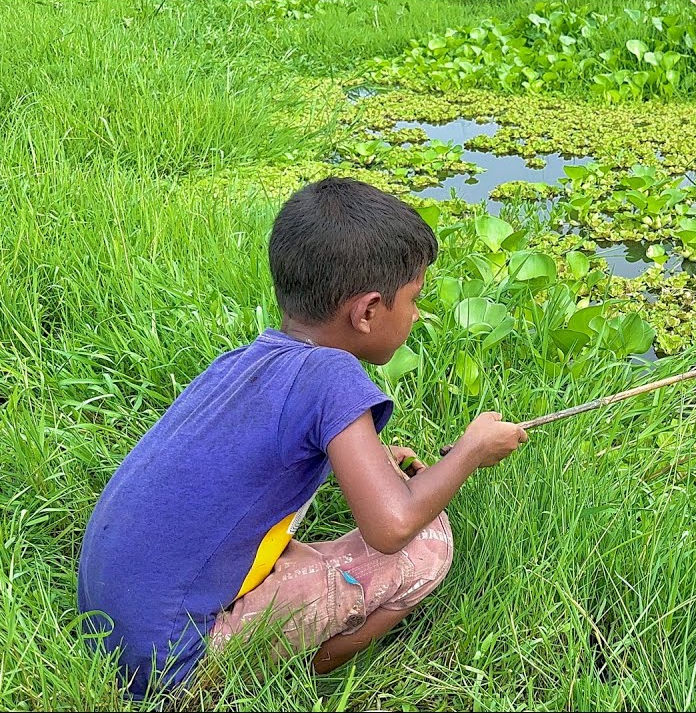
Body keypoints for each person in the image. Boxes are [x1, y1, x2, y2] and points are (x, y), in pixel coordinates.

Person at [77, 177, 527, 699]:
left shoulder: (244, 362)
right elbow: (393, 526)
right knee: (427, 546)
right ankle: (307, 673)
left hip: (110, 624)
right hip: (170, 666)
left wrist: (376, 459)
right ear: (368, 311)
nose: (418, 314)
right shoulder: (334, 376)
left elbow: (255, 451)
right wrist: (471, 451)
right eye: (414, 299)